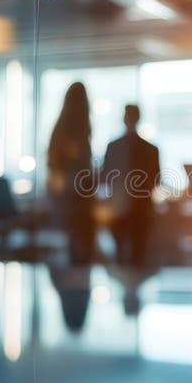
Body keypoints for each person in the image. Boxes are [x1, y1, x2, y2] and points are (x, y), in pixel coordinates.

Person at [102, 105, 160, 268]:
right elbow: (156, 180)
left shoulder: (113, 147)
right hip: (134, 209)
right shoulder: (150, 149)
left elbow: (105, 176)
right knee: (136, 256)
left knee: (124, 256)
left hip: (122, 209)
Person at [47, 82, 98, 264]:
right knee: (79, 252)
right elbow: (75, 170)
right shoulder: (74, 133)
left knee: (76, 251)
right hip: (75, 199)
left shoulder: (63, 130)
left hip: (72, 198)